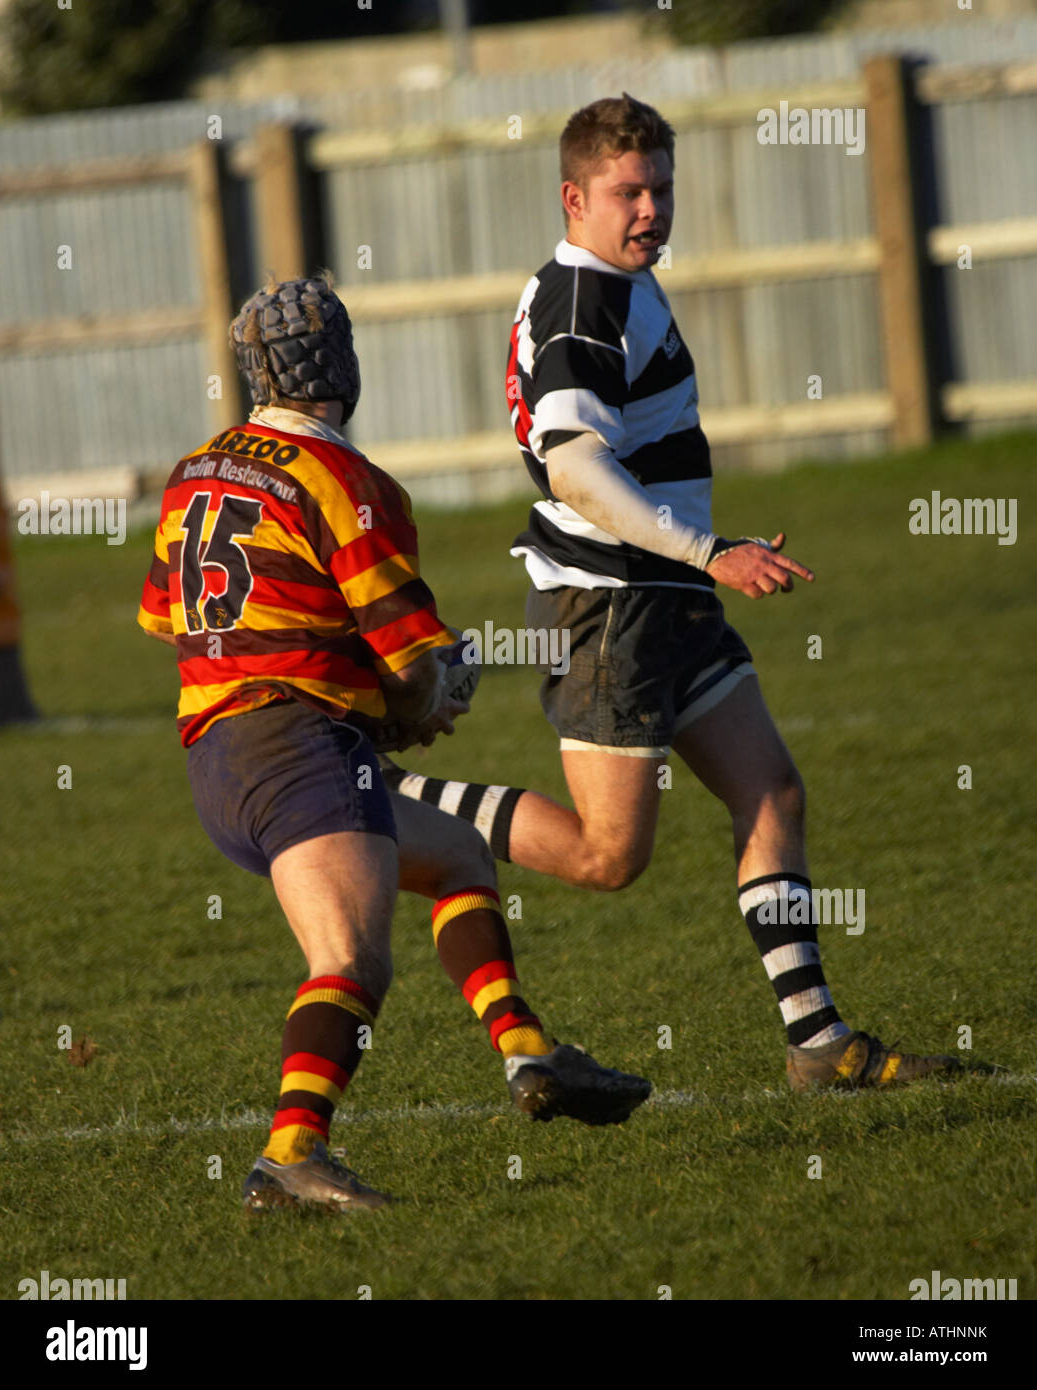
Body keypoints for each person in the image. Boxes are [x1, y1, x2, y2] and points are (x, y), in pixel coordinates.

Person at [384, 96, 961, 1092]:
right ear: (575, 197)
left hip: (665, 592)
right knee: (609, 856)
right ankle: (383, 801)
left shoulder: (609, 281)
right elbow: (575, 467)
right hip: (611, 609)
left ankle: (818, 1045)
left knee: (771, 789)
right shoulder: (585, 303)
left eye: (661, 188)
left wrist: (705, 552)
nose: (650, 209)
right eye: (627, 192)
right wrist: (709, 551)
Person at [136, 276, 651, 1215]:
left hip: (220, 758)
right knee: (349, 960)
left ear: (251, 370)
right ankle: (291, 1155)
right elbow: (415, 661)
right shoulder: (348, 482)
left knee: (457, 856)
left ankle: (530, 1054)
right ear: (347, 368)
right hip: (296, 746)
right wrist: (413, 708)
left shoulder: (191, 471)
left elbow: (162, 618)